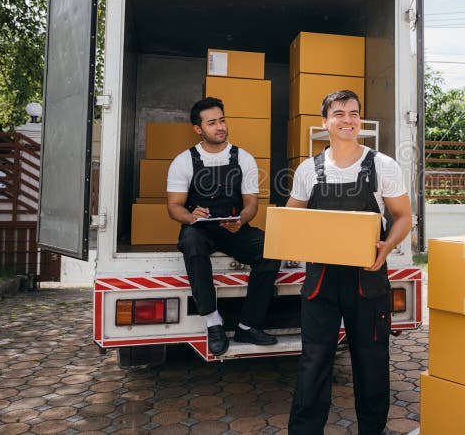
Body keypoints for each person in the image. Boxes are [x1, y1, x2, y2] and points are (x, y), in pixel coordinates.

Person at [286, 90, 413, 435]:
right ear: (324, 122)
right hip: (320, 283)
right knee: (314, 363)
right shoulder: (308, 170)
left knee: (371, 364)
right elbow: (290, 220)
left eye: (354, 113)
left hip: (367, 279)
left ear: (361, 120)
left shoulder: (383, 165)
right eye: (339, 113)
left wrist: (386, 247)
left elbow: (403, 217)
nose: (348, 120)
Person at [166, 97, 280, 356]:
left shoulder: (244, 158)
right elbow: (174, 207)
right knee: (191, 242)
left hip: (233, 229)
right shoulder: (183, 161)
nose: (220, 127)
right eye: (212, 123)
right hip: (200, 229)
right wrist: (191, 216)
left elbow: (252, 203)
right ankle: (213, 322)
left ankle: (248, 325)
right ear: (198, 129)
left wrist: (241, 220)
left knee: (270, 250)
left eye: (222, 120)